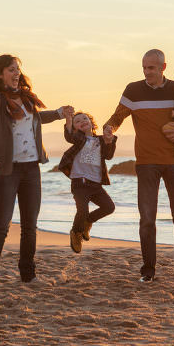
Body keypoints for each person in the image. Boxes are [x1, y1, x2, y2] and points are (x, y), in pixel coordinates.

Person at [103, 49, 174, 283]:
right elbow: (117, 117)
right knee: (147, 219)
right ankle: (148, 272)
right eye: (144, 67)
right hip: (146, 163)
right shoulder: (133, 90)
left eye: (152, 68)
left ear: (163, 67)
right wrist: (108, 130)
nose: (147, 72)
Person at [0, 54, 67, 289]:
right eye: (10, 69)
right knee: (2, 225)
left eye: (17, 69)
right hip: (7, 170)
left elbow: (36, 118)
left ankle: (28, 275)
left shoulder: (28, 100)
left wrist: (59, 113)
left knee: (30, 225)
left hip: (31, 169)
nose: (16, 73)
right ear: (0, 74)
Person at [56, 107, 117, 254]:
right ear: (75, 127)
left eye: (85, 119)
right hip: (80, 183)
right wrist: (69, 120)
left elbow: (109, 156)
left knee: (109, 207)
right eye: (77, 121)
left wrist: (109, 140)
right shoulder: (78, 139)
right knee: (82, 210)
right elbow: (70, 135)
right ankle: (76, 232)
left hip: (95, 184)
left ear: (91, 122)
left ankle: (88, 222)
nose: (82, 121)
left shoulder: (100, 140)